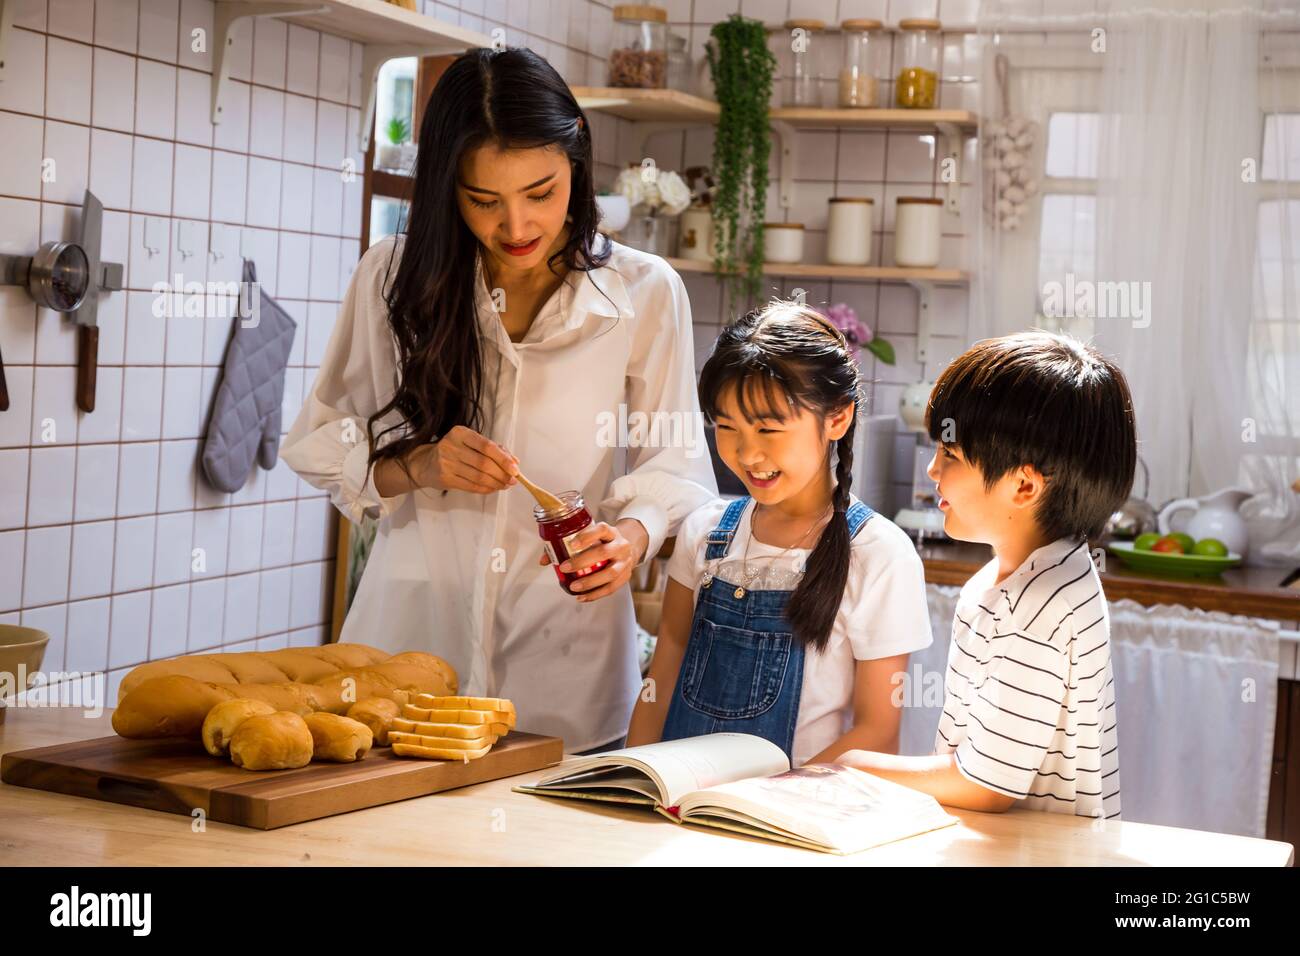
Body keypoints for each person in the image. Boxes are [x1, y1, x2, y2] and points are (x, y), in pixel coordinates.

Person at [281, 47, 716, 754]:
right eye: (483, 200)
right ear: (446, 186)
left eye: (541, 192)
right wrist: (421, 464)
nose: (515, 226)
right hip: (407, 658)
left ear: (577, 153)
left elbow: (680, 468)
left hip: (565, 672)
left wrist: (631, 538)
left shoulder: (645, 291)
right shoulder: (392, 279)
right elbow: (321, 441)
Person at [837, 331, 1136, 819]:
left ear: (1023, 485)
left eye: (950, 457)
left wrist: (846, 766)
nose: (932, 470)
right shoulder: (1031, 573)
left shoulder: (1039, 603)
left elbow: (986, 785)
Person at [626, 301, 933, 766]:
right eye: (727, 427)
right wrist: (631, 777)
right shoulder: (704, 532)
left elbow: (877, 734)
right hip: (676, 808)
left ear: (837, 418)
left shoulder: (880, 554)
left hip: (790, 820)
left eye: (768, 428)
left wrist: (768, 801)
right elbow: (660, 680)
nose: (747, 454)